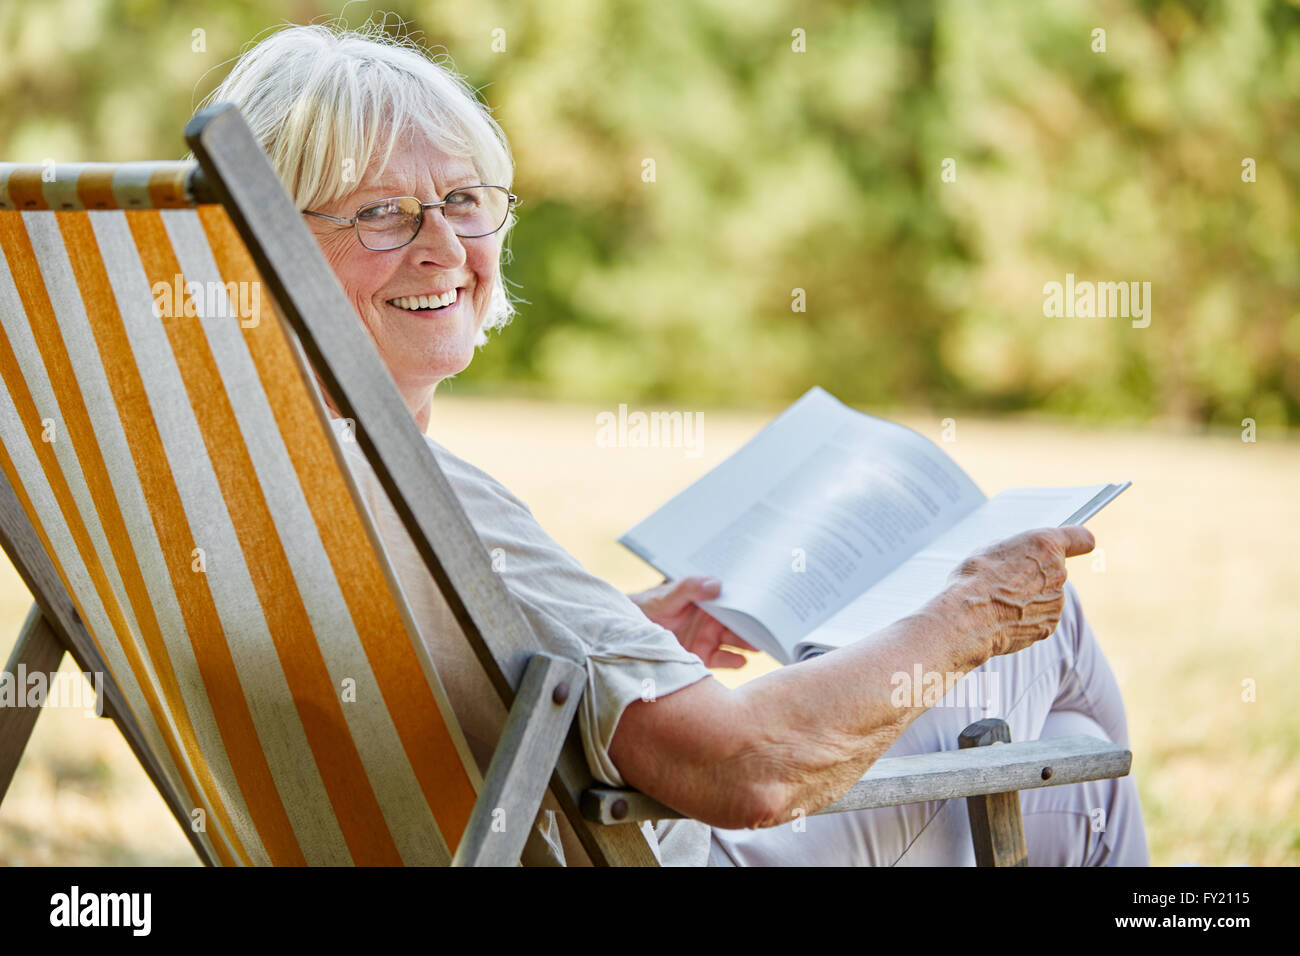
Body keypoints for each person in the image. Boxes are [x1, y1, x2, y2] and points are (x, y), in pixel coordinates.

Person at [199, 20, 1148, 866]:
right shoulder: (408, 496)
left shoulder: (220, 473)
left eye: (461, 198)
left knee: (1061, 771)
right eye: (378, 211)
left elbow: (414, 685)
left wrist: (596, 655)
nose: (443, 244)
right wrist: (970, 614)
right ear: (269, 241)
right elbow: (750, 772)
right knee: (1039, 642)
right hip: (697, 850)